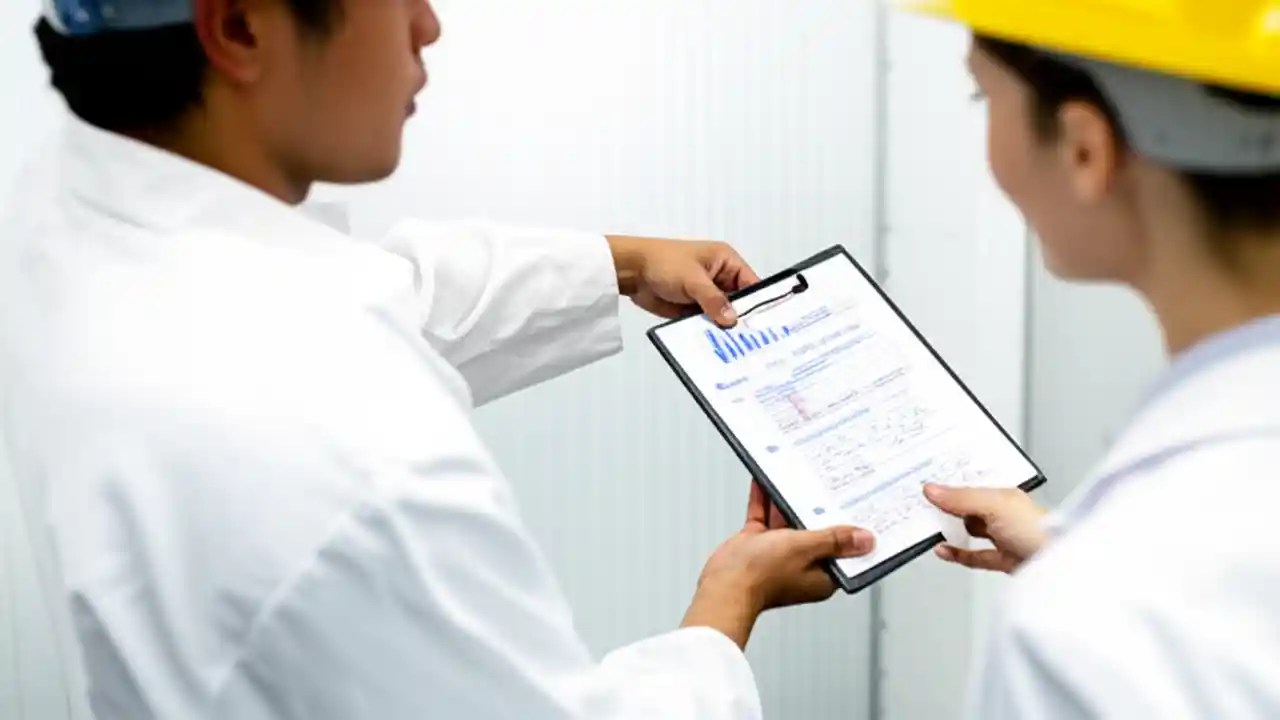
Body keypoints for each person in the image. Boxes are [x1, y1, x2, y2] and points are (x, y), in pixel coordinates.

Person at [0, 1, 876, 718]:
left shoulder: (74, 210)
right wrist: (725, 610)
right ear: (238, 29)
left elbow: (365, 291)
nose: (428, 25)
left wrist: (619, 262)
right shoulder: (349, 450)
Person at [897, 0, 1280, 716]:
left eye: (985, 96)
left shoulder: (1086, 628)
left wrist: (1095, 569)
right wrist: (1075, 546)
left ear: (1085, 149)